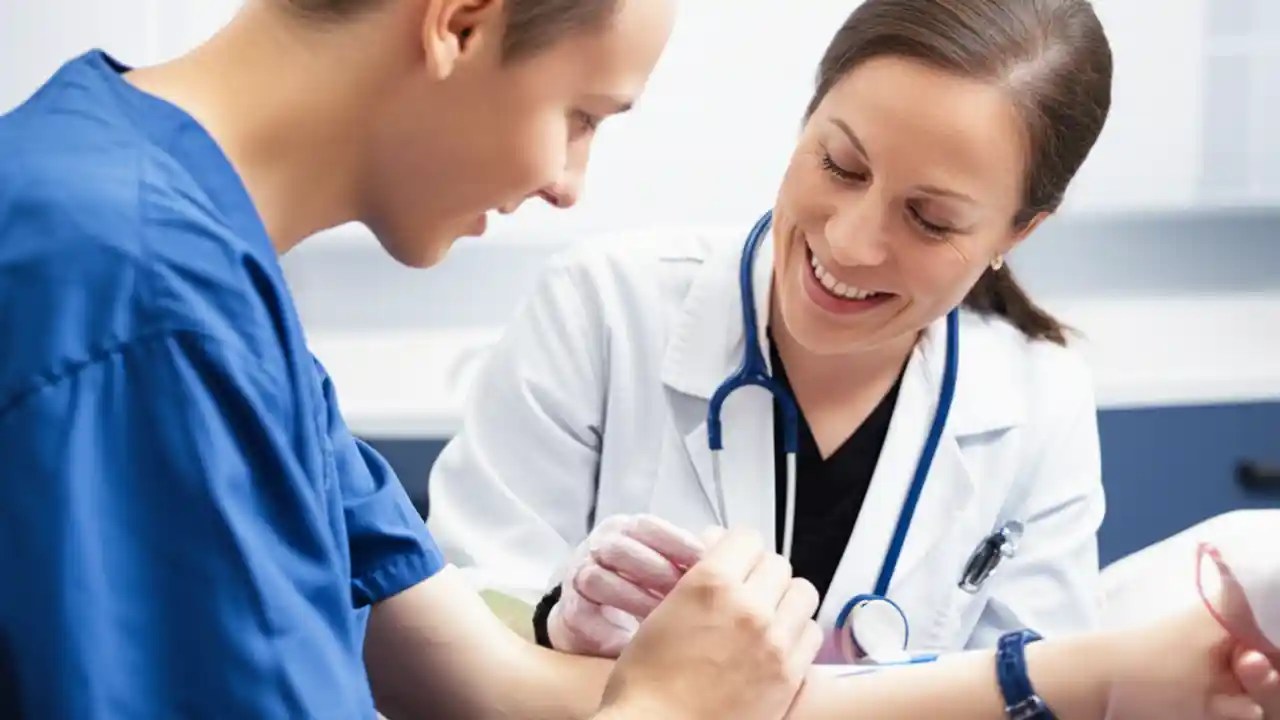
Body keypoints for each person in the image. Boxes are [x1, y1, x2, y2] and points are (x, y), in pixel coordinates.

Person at [1, 0, 1277, 718]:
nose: (566, 185)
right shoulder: (138, 301)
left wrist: (1113, 669)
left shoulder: (210, 274)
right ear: (457, 21)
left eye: (933, 218)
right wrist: (659, 705)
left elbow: (482, 680)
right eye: (579, 117)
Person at [429, 0, 1107, 662]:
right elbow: (454, 626)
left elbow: (1042, 692)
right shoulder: (604, 307)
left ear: (1018, 232)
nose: (849, 242)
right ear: (807, 121)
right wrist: (554, 625)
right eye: (841, 165)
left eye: (930, 219)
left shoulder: (1041, 405)